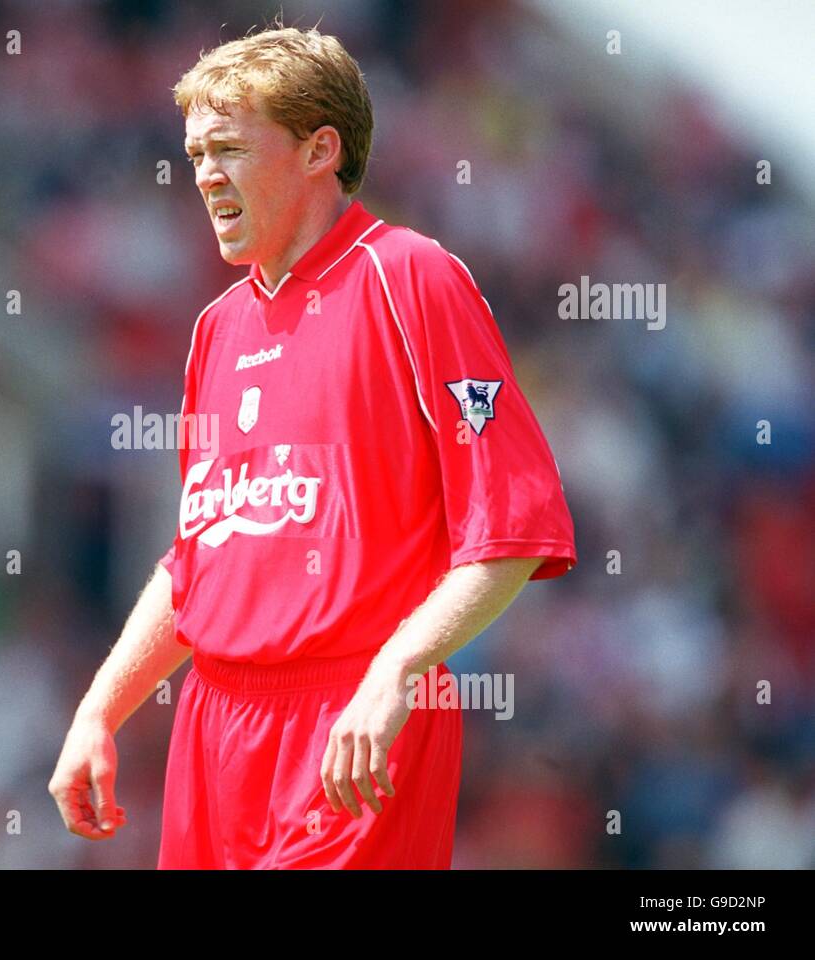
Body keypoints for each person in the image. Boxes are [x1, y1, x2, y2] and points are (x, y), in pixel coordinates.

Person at [49, 24, 576, 869]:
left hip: (356, 722)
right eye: (194, 156)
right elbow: (198, 559)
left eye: (228, 148)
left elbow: (511, 532)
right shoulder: (215, 330)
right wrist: (99, 713)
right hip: (213, 726)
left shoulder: (411, 278)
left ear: (318, 149)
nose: (206, 176)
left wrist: (399, 669)